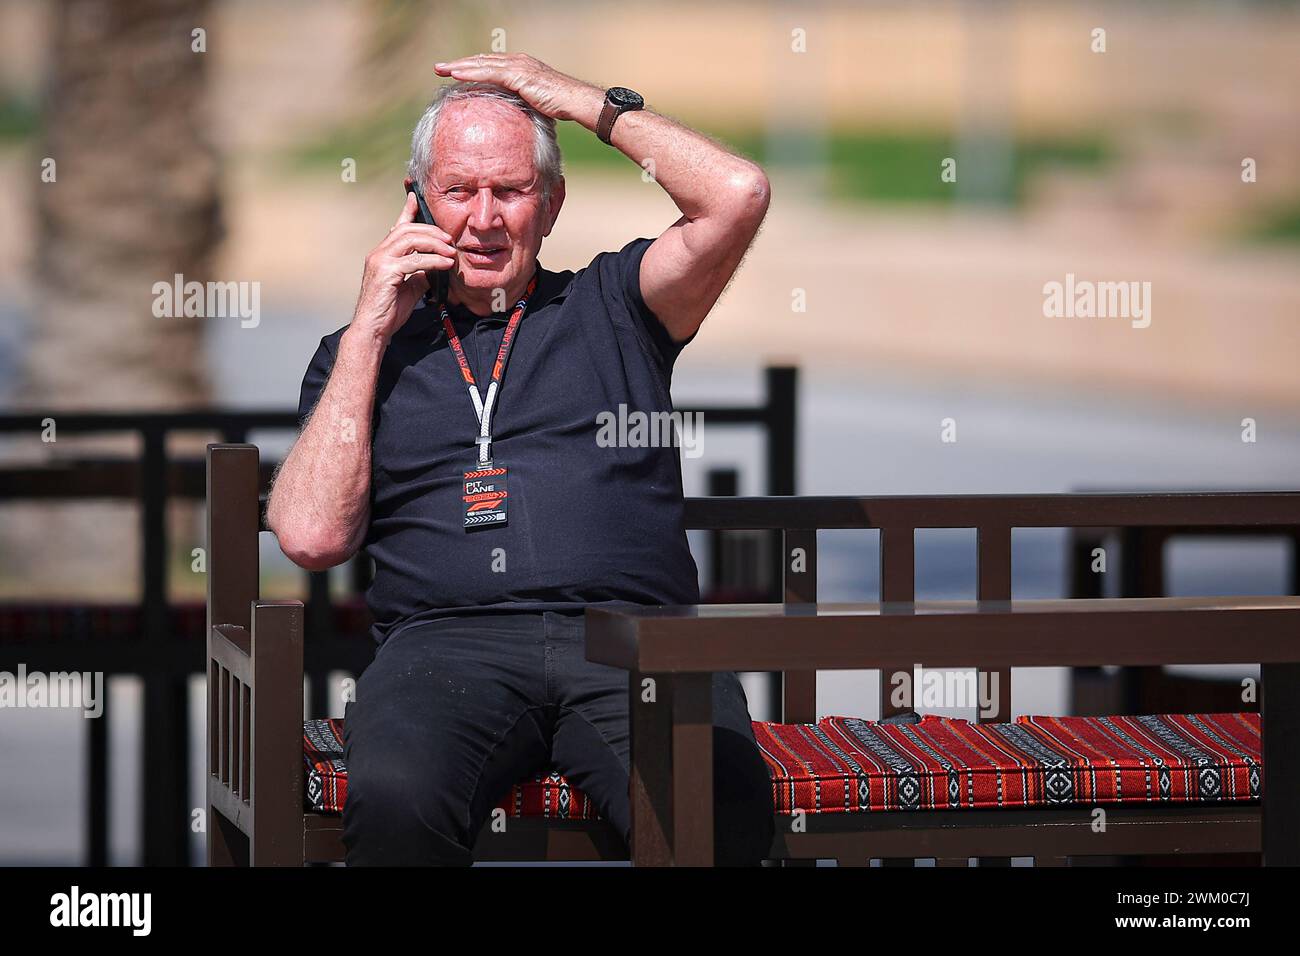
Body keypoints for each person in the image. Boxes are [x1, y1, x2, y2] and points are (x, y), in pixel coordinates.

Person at [267, 53, 773, 865]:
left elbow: (738, 194)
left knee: (715, 807)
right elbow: (310, 537)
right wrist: (370, 328)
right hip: (444, 646)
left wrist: (577, 102)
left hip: (633, 641)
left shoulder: (617, 304)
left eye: (512, 191)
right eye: (459, 191)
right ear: (417, 201)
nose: (484, 219)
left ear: (553, 205)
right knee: (395, 802)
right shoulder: (363, 353)